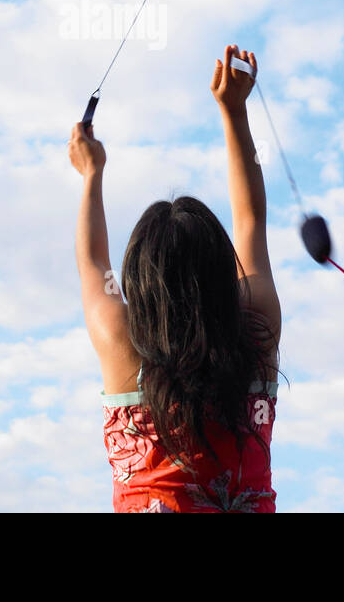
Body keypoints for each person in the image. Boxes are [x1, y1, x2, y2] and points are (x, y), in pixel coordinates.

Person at [68, 44, 281, 512]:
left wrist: (91, 174)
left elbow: (92, 263)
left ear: (141, 287)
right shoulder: (256, 334)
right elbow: (250, 224)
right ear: (224, 275)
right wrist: (233, 112)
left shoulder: (123, 347)